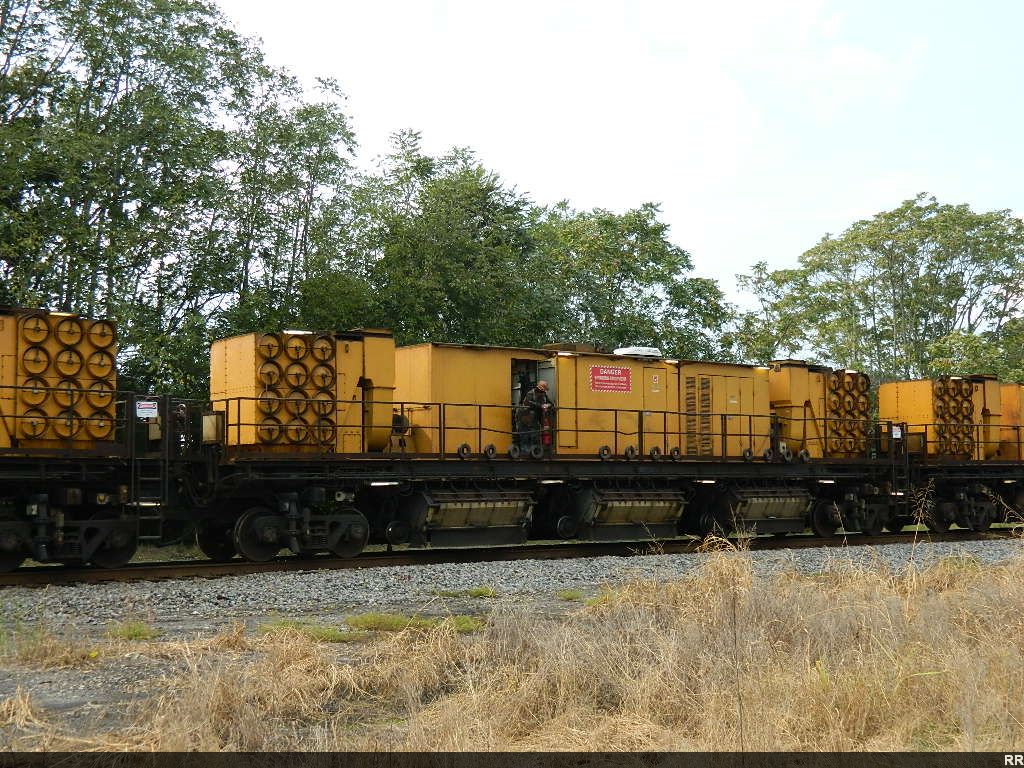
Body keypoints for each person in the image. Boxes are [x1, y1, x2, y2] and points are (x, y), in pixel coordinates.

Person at [519, 380, 555, 453]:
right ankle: (524, 454)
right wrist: (541, 406)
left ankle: (533, 453)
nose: (543, 392)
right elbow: (528, 403)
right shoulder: (530, 393)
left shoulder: (544, 395)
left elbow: (551, 403)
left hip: (535, 420)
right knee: (525, 437)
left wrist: (548, 405)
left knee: (534, 436)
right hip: (526, 418)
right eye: (542, 390)